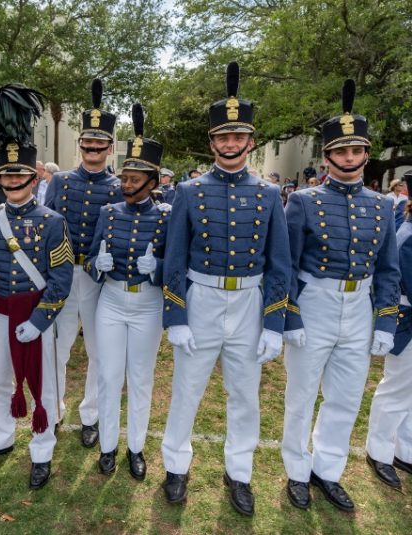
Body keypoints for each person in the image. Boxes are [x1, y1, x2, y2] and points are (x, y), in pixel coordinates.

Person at [161, 62, 290, 516]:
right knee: (187, 389)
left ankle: (239, 472)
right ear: (212, 142)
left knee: (245, 394)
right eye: (223, 137)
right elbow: (174, 259)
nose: (231, 144)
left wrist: (275, 323)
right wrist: (175, 316)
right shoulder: (189, 190)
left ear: (251, 141)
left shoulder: (269, 194)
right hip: (201, 298)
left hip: (250, 302)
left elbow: (280, 263)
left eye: (239, 137)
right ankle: (176, 464)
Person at [281, 80, 400, 512]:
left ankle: (327, 469)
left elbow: (388, 269)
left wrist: (386, 320)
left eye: (357, 151)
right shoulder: (304, 202)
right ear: (327, 156)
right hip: (316, 302)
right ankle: (296, 469)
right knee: (301, 394)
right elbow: (288, 267)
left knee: (347, 397)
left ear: (365, 154)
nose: (349, 159)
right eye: (341, 152)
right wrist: (289, 316)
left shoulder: (382, 205)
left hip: (360, 307)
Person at [0, 84, 71, 489]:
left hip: (35, 312)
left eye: (19, 174)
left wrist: (42, 320)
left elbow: (61, 279)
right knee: (0, 379)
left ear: (33, 176)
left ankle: (42, 445)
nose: (11, 181)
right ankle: (1, 436)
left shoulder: (52, 222)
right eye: (5, 174)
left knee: (43, 381)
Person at [85, 103, 170, 481]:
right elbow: (90, 257)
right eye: (126, 177)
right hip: (112, 301)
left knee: (140, 376)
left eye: (136, 179)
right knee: (107, 374)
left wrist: (160, 271)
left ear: (153, 182)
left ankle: (135, 446)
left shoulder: (166, 216)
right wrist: (97, 266)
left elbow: (176, 266)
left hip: (148, 304)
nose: (127, 184)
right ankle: (107, 445)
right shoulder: (110, 213)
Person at [44, 78, 123, 448]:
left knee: (97, 348)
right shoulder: (60, 181)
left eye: (99, 146)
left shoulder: (119, 187)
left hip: (96, 277)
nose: (92, 151)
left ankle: (90, 414)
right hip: (61, 274)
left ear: (110, 147)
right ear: (80, 145)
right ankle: (55, 409)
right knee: (57, 346)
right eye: (87, 145)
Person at [365, 172, 412, 490]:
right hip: (407, 316)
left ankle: (403, 449)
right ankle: (379, 451)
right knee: (397, 388)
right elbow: (400, 278)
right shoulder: (406, 233)